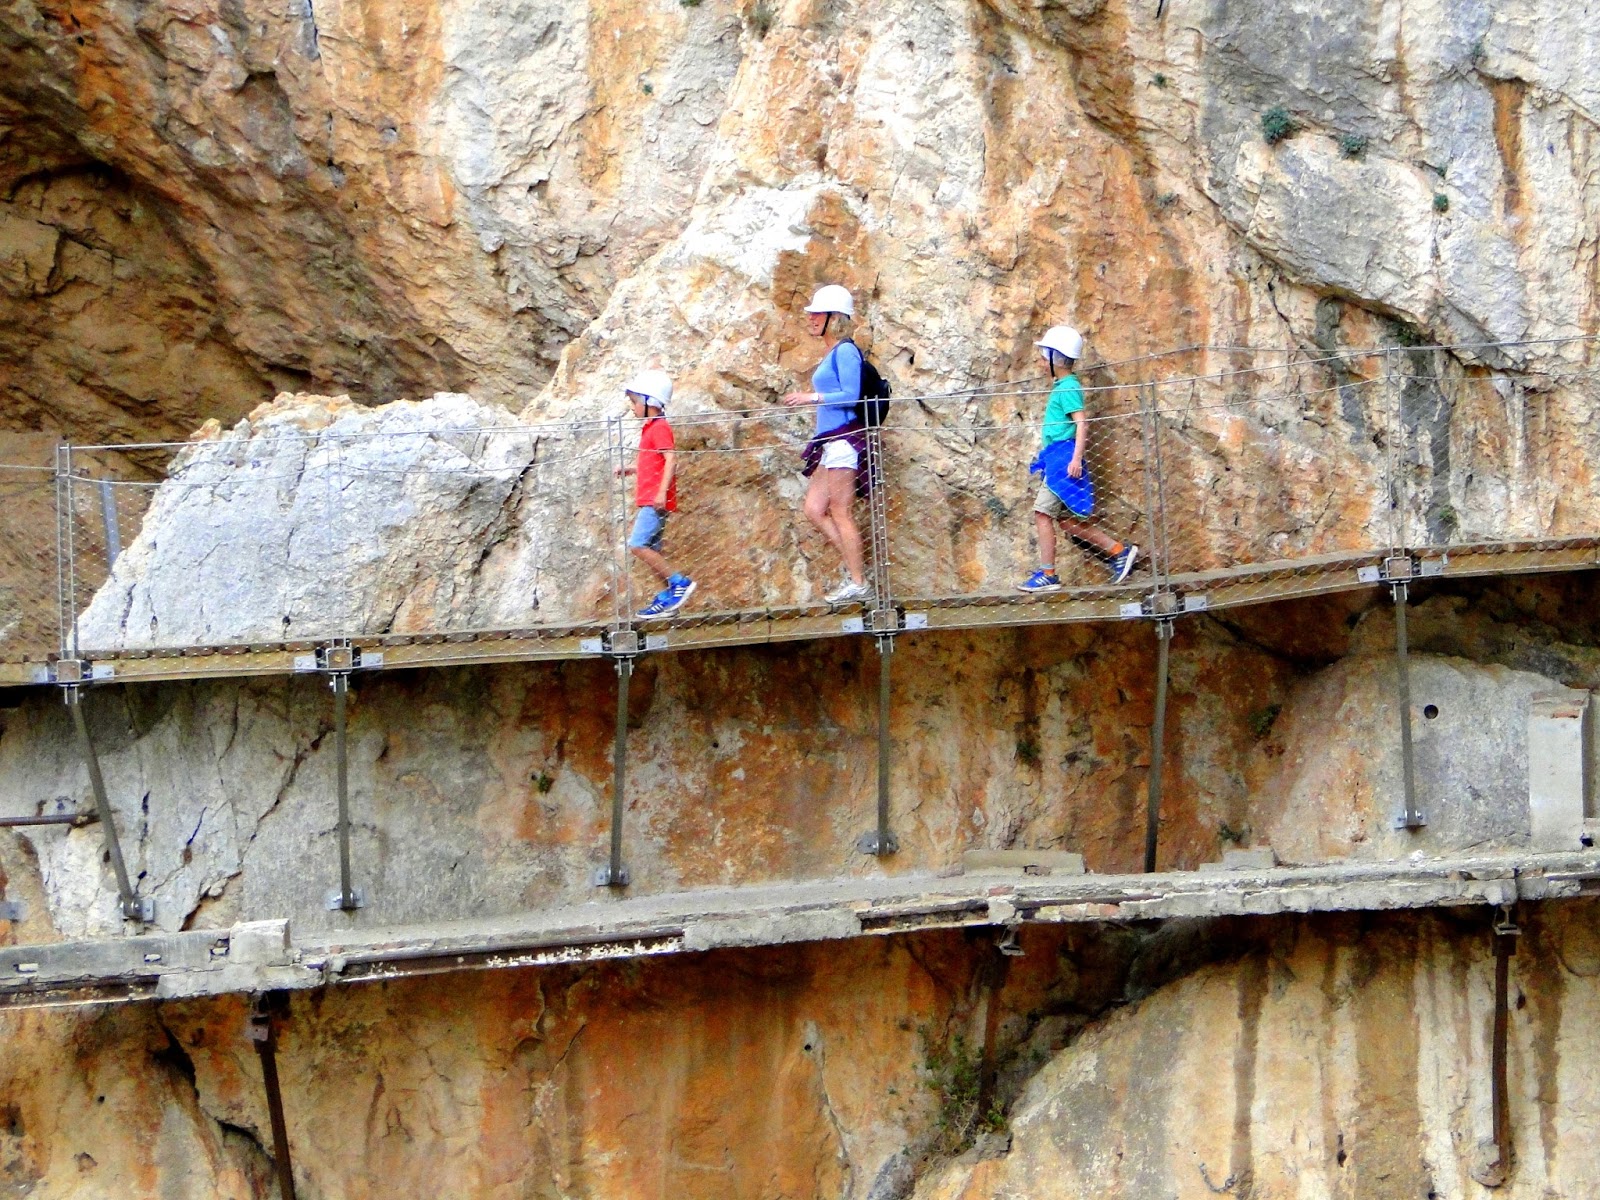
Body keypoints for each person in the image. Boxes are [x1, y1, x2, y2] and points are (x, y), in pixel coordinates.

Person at [1016, 326, 1139, 592]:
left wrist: (1075, 459)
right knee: (1068, 522)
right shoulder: (1063, 385)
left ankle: (1048, 574)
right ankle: (1119, 552)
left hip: (1063, 459)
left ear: (1055, 357)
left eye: (1044, 354)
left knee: (1041, 513)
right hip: (1058, 457)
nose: (1040, 359)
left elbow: (1082, 423)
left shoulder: (1068, 387)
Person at [783, 284, 872, 605]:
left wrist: (812, 396)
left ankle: (859, 582)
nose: (810, 317)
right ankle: (856, 570)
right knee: (814, 508)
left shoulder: (846, 351)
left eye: (817, 312)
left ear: (834, 317)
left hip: (844, 440)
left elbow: (851, 394)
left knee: (840, 511)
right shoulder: (834, 352)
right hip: (831, 442)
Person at [620, 370, 696, 617]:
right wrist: (632, 469)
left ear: (650, 401)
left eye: (635, 402)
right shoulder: (650, 428)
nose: (632, 407)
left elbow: (670, 458)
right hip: (651, 497)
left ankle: (679, 583)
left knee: (637, 545)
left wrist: (662, 492)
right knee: (652, 548)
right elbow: (653, 461)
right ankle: (668, 598)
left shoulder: (660, 427)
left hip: (654, 499)